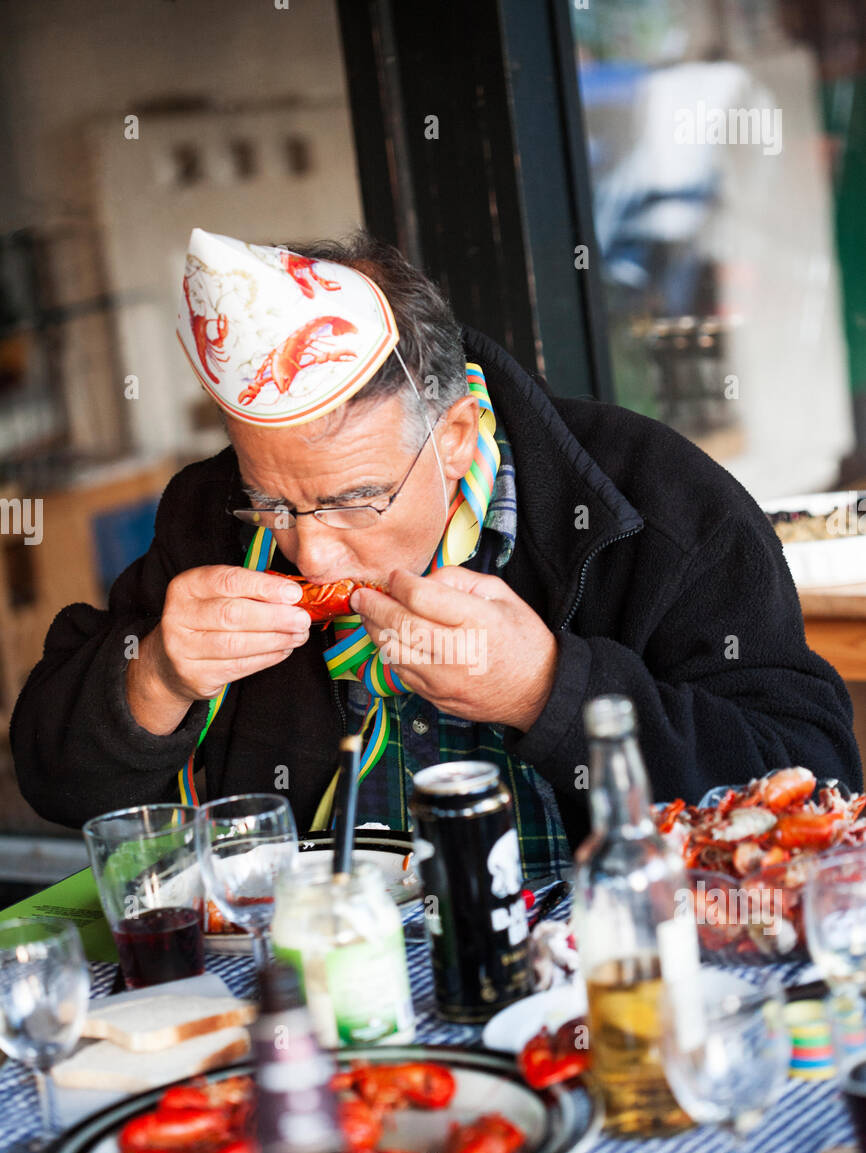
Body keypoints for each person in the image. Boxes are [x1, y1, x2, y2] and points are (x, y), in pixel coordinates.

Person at [10, 228, 862, 879]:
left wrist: (547, 690)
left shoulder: (654, 505)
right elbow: (60, 785)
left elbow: (818, 786)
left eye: (352, 499)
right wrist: (155, 677)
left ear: (454, 437)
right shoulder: (205, 515)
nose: (307, 548)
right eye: (272, 499)